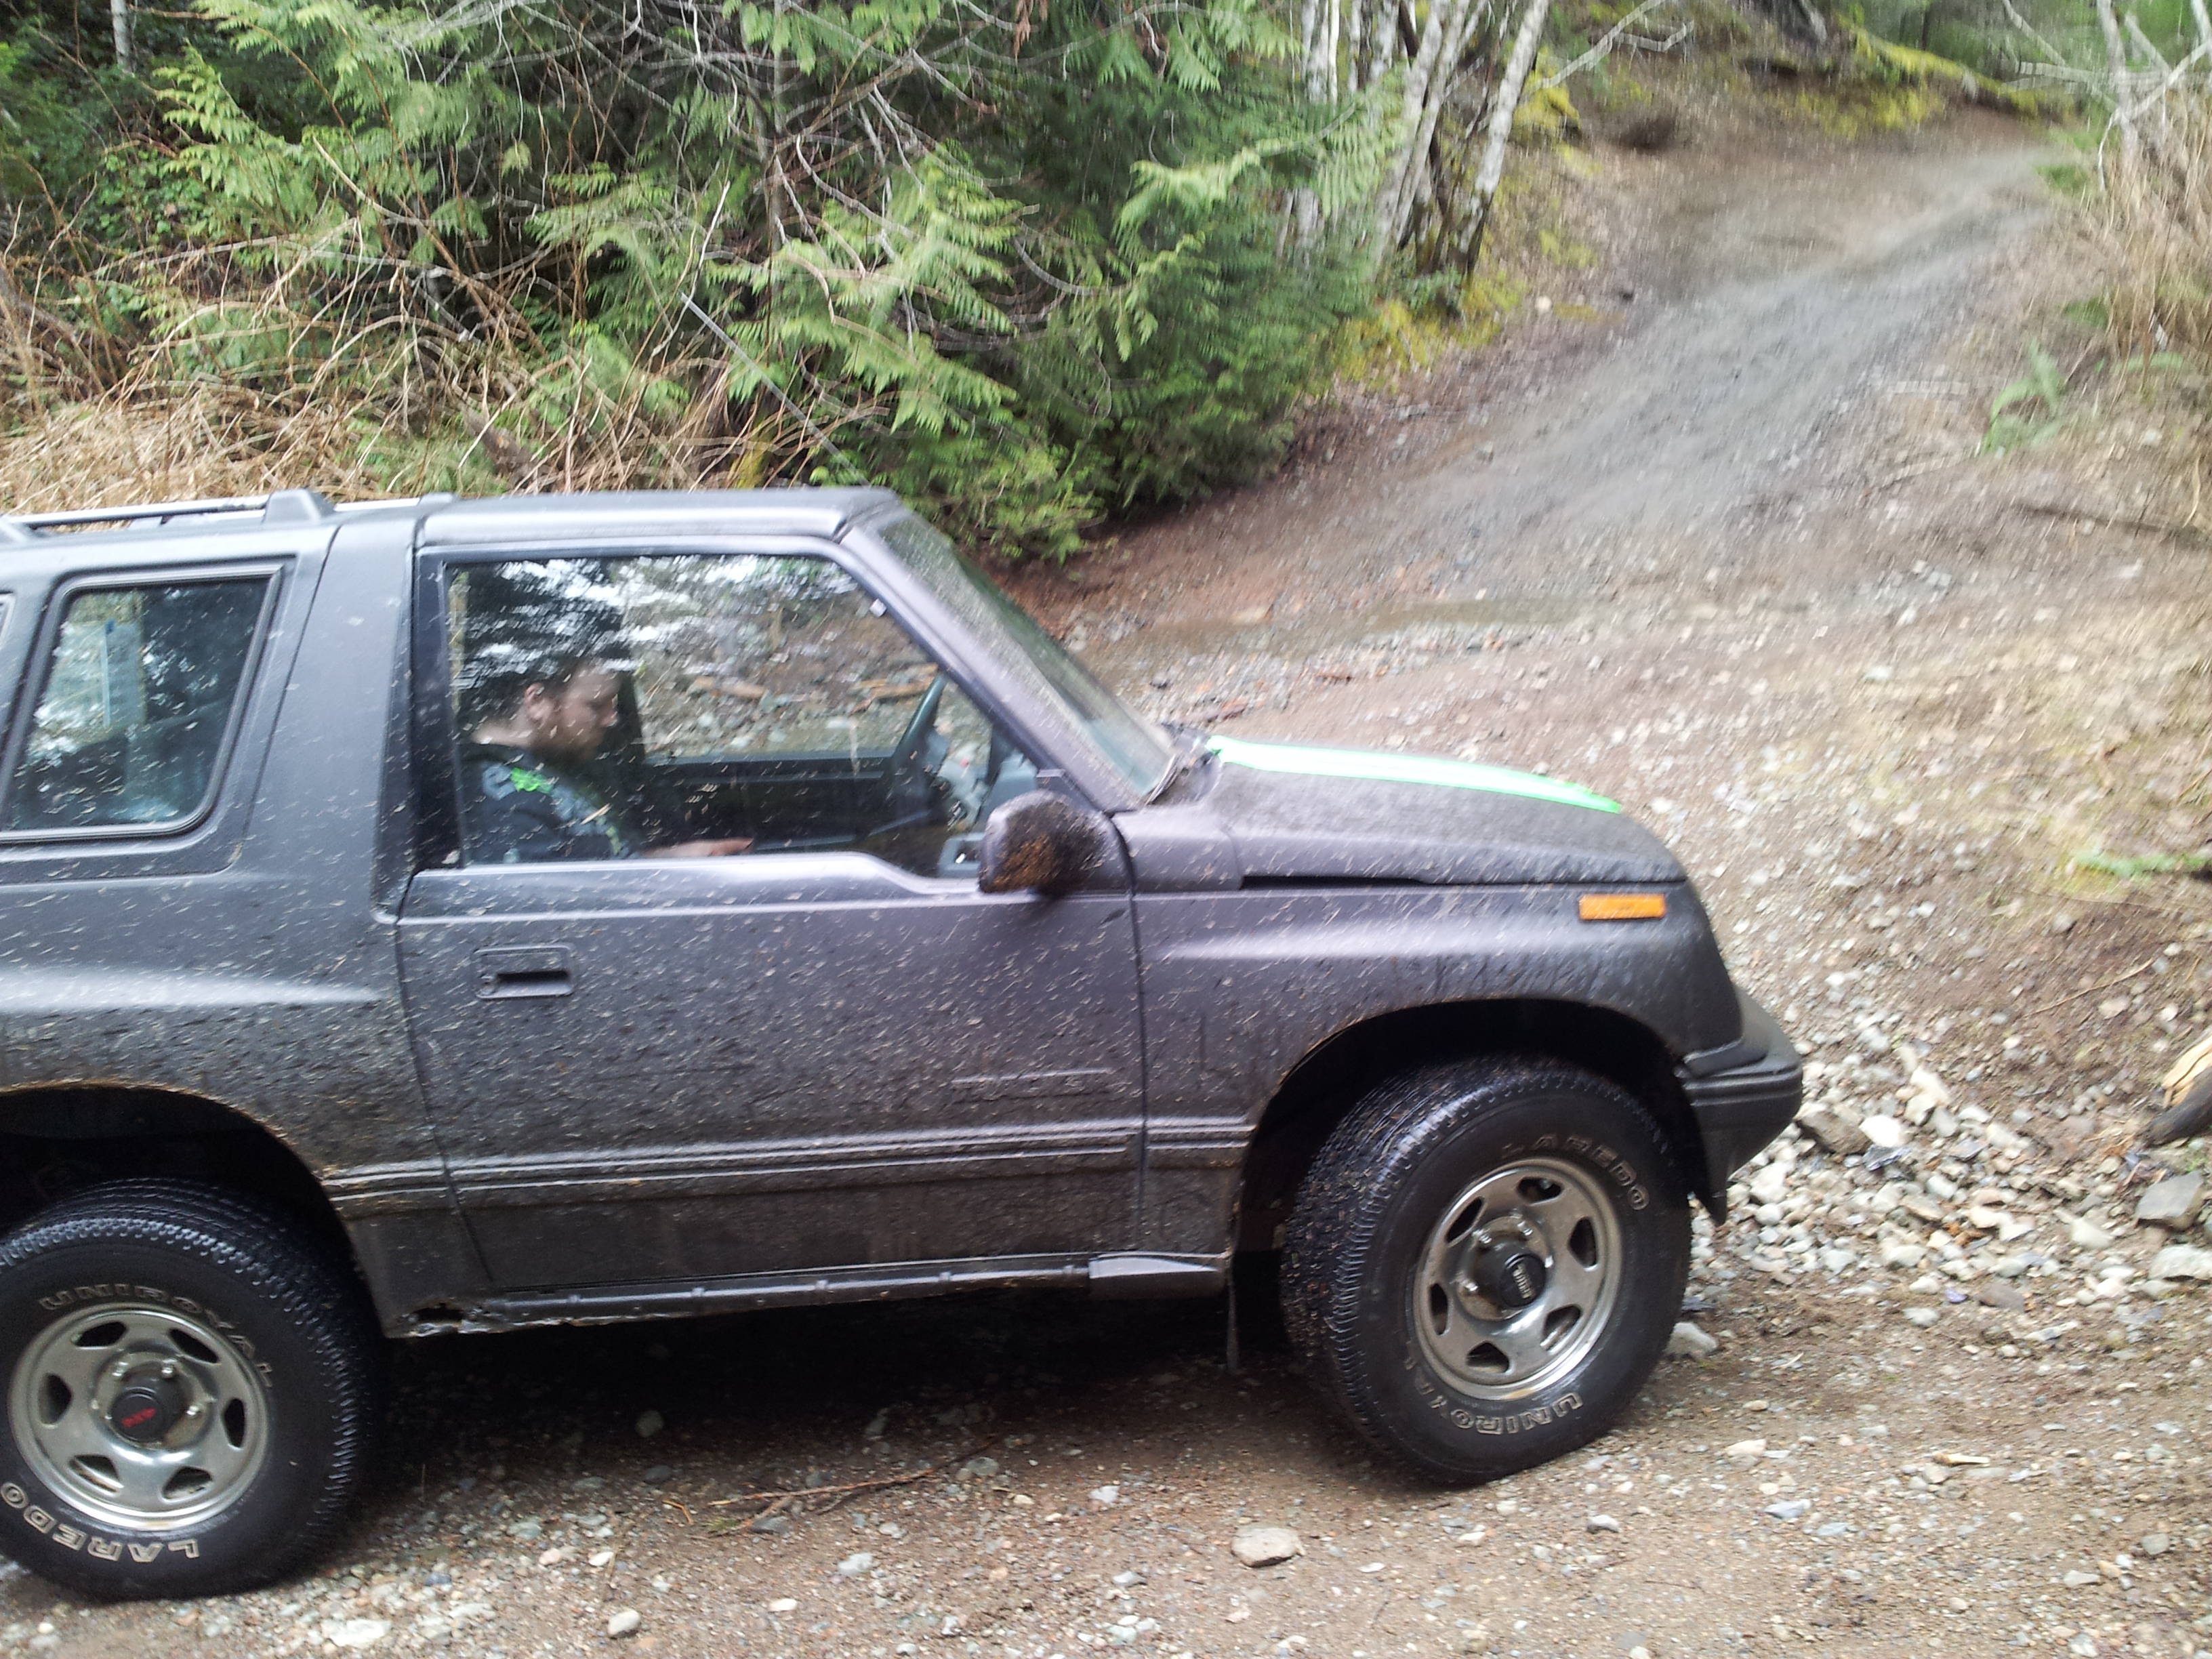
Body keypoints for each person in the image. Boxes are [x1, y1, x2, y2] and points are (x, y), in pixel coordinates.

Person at [458, 647, 752, 865]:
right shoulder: (503, 810)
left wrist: (680, 858)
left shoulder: (546, 764)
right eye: (597, 705)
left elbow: (593, 872)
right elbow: (565, 915)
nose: (612, 720)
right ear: (536, 701)